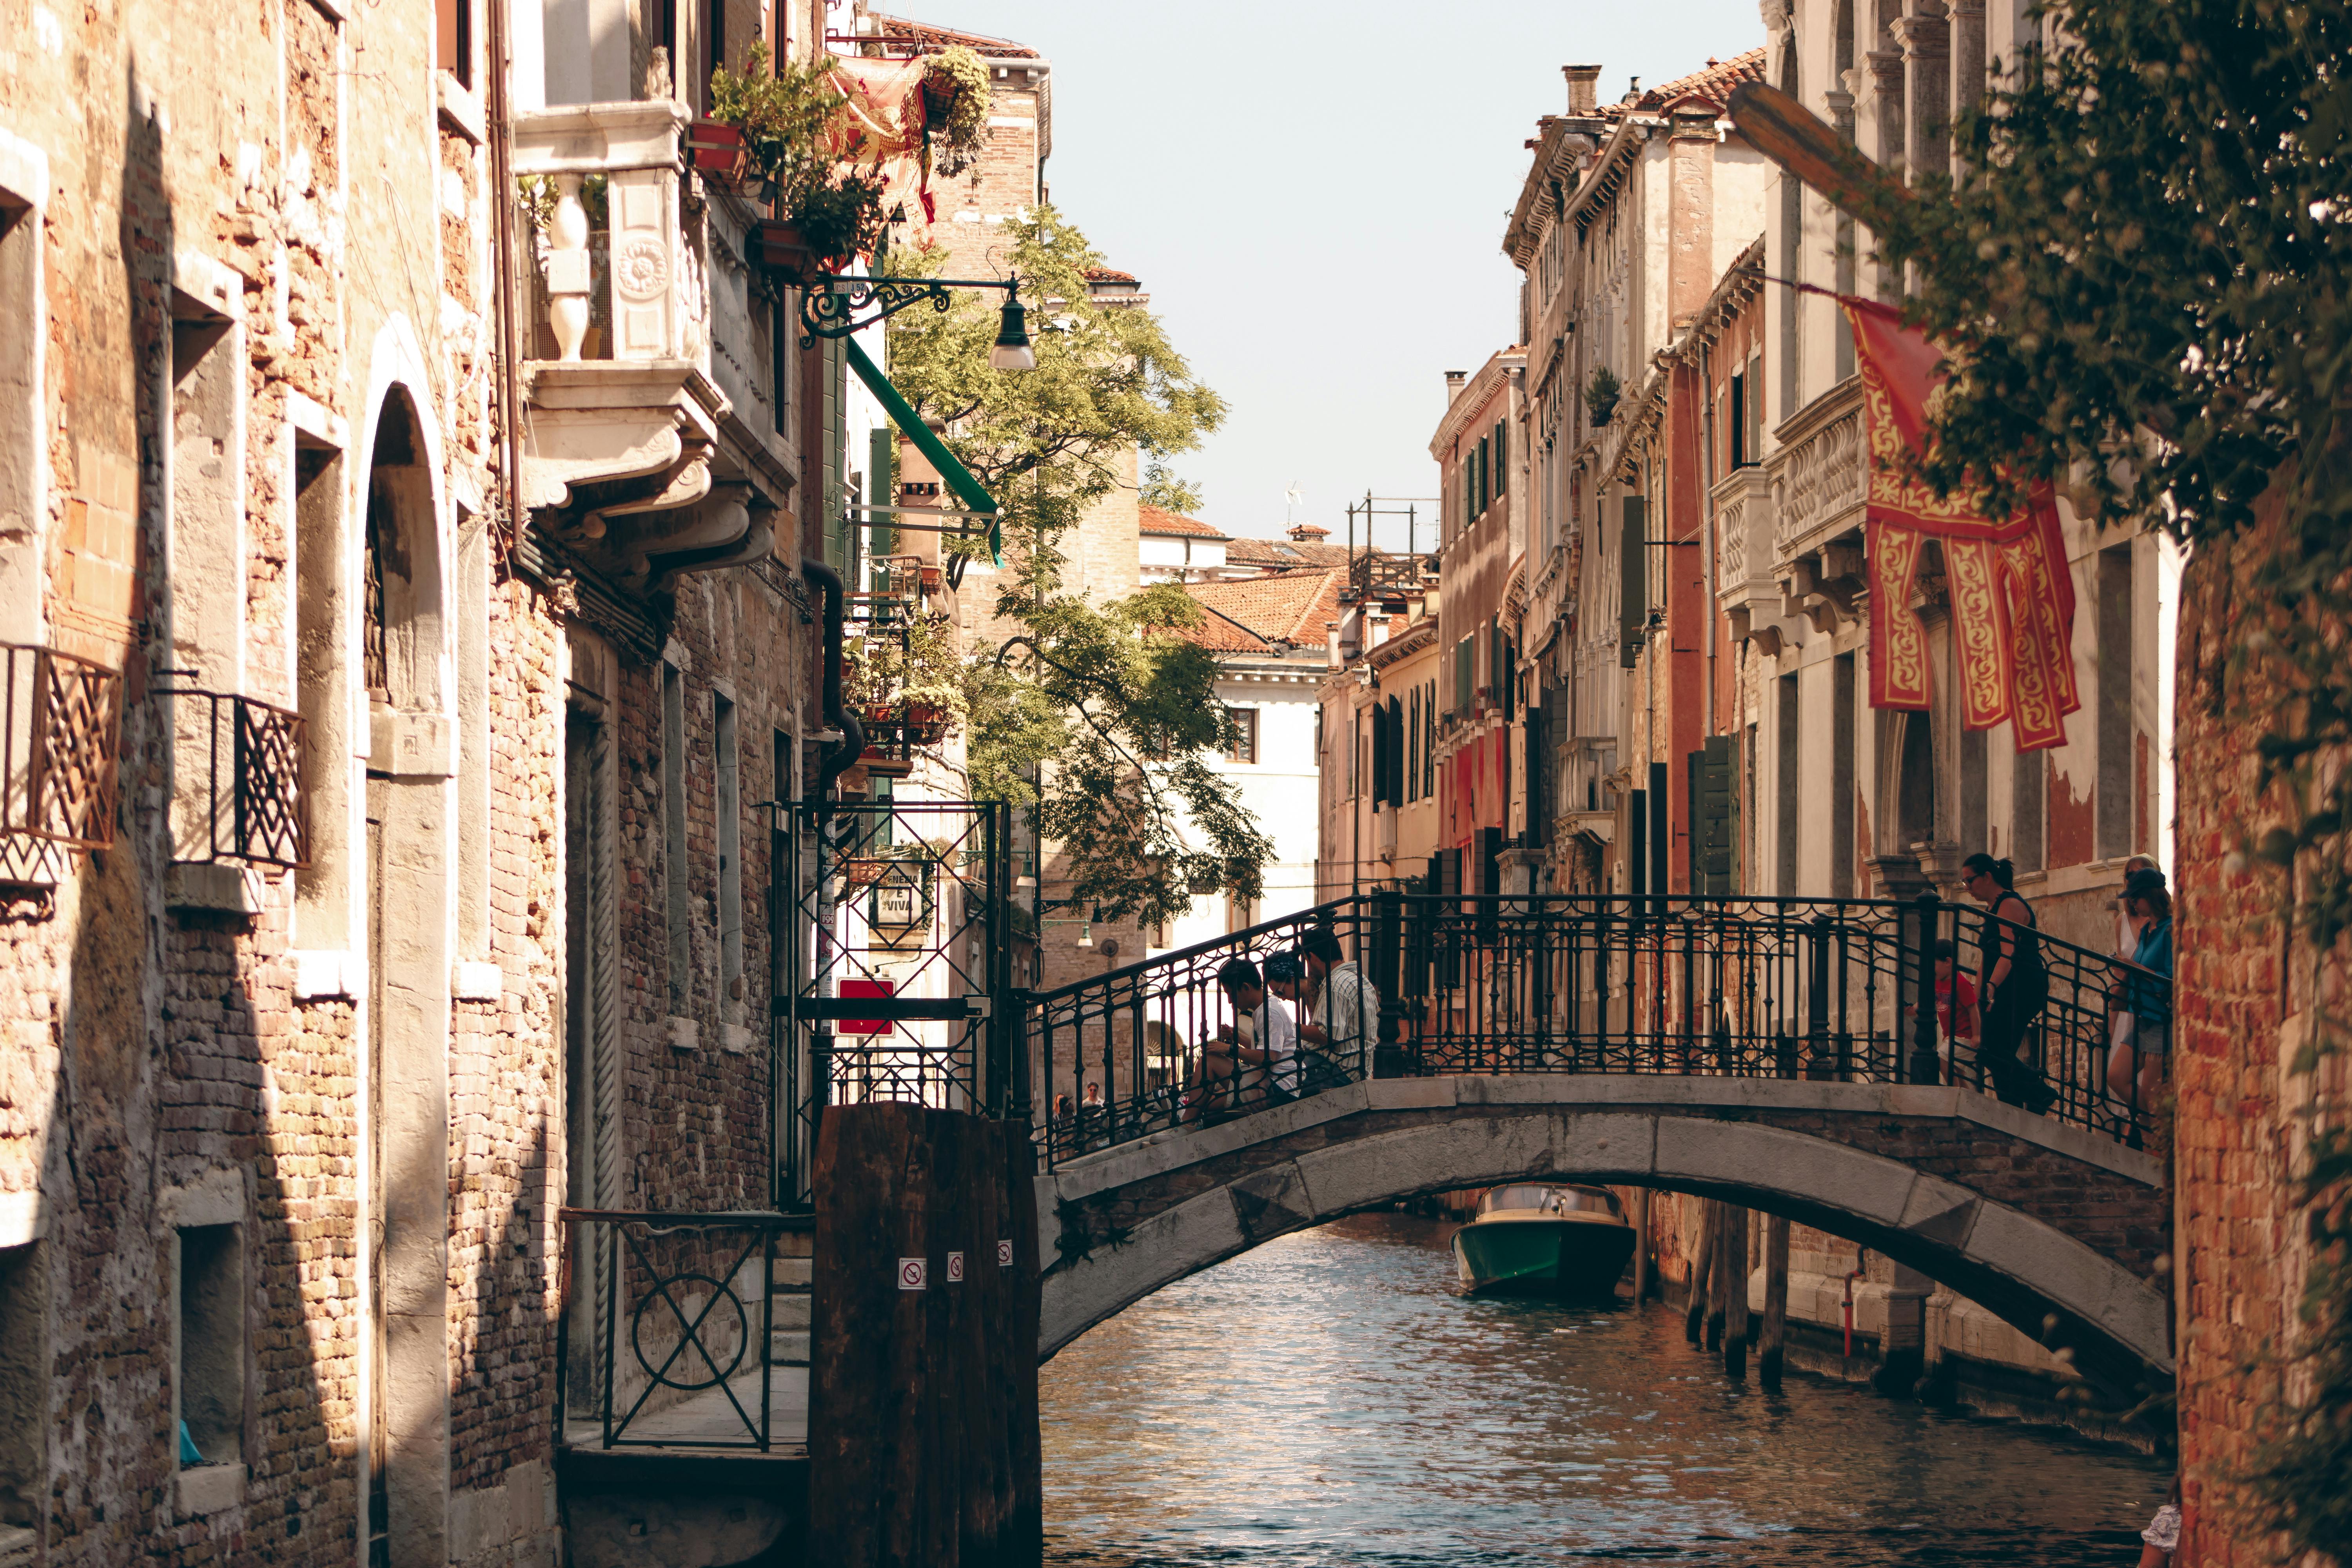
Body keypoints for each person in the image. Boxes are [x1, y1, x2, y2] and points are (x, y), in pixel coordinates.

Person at [1961, 853, 2057, 1113]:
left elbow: (2008, 954)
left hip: (2023, 983)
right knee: (1997, 1049)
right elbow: (1987, 959)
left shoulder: (2010, 905)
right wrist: (1979, 992)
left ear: (1987, 877)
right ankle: (2016, 1106)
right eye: (1964, 884)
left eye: (1969, 881)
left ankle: (2039, 1091)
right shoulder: (1992, 908)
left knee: (1992, 1047)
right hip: (2006, 984)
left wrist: (1990, 988)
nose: (1967, 888)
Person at [1185, 957, 1298, 1120]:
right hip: (1272, 1083)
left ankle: (1186, 1123)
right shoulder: (1266, 1008)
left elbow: (1269, 1058)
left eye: (1231, 993)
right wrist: (1236, 1037)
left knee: (1208, 1061)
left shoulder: (1270, 1012)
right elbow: (1264, 1047)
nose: (1230, 1000)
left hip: (1277, 1088)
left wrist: (1230, 1049)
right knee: (1209, 1104)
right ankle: (1188, 1115)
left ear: (1246, 988)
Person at [2107, 867, 2172, 1120]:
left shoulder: (2169, 930)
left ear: (2151, 896)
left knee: (2152, 1094)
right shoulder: (2147, 930)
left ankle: (2156, 1139)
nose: (2132, 902)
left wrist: (2135, 968)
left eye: (2137, 896)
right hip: (2143, 1016)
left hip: (2160, 1019)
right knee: (2116, 1077)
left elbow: (2170, 980)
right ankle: (2157, 1126)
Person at [1296, 927, 1378, 1078]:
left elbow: (1327, 1035)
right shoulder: (1359, 980)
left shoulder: (1335, 985)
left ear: (1312, 957)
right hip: (1356, 1067)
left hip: (1341, 1069)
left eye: (1306, 960)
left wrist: (1290, 1028)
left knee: (1282, 1077)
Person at [2107, 853, 2160, 1082]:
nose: (2133, 880)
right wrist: (2110, 1024)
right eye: (2129, 876)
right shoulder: (2122, 921)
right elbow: (2119, 974)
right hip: (2127, 1007)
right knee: (2117, 1077)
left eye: (2139, 873)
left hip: (2150, 1006)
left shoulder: (2162, 923)